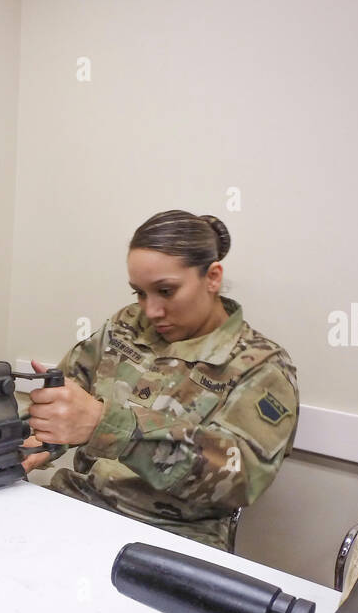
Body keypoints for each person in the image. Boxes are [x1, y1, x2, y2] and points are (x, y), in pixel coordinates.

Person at [22, 210, 299, 551]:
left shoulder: (261, 367)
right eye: (139, 293)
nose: (151, 311)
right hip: (78, 507)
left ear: (212, 278)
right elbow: (71, 393)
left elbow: (239, 480)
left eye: (166, 291)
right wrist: (37, 437)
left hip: (172, 538)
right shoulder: (127, 326)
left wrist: (105, 425)